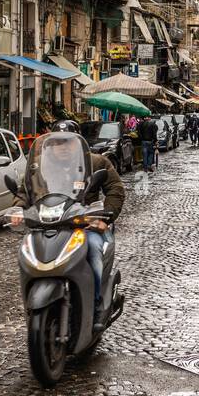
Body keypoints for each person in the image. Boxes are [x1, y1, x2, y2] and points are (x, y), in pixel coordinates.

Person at [33, 121, 125, 331]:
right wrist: (19, 210)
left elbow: (116, 188)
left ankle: (96, 307)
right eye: (57, 142)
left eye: (68, 143)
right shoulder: (40, 165)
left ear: (79, 143)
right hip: (51, 225)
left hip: (86, 225)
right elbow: (25, 190)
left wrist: (105, 218)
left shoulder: (97, 162)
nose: (63, 147)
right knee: (29, 252)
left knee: (93, 251)